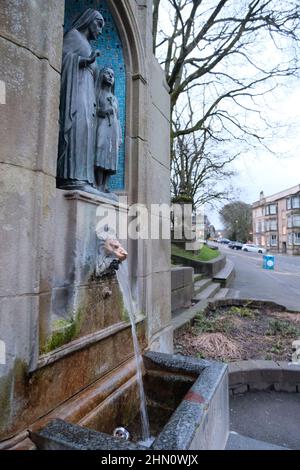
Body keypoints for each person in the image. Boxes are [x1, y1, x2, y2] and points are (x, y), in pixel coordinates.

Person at [57, 9, 104, 194]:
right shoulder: (74, 36)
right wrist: (83, 61)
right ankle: (71, 178)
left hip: (88, 94)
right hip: (75, 92)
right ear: (88, 20)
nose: (100, 30)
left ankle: (84, 179)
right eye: (98, 24)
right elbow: (61, 58)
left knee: (86, 133)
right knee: (77, 129)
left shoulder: (87, 44)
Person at [95, 67, 122, 194]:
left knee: (111, 155)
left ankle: (105, 185)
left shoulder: (115, 99)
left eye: (112, 74)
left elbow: (118, 117)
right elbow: (94, 110)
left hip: (114, 129)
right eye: (107, 73)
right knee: (100, 150)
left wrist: (120, 136)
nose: (110, 76)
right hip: (102, 126)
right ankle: (98, 183)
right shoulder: (98, 93)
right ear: (101, 75)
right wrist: (104, 111)